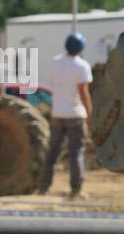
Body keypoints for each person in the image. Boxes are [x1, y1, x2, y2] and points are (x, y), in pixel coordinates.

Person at [37, 32, 92, 198]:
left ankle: (44, 188)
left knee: (53, 152)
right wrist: (90, 114)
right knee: (76, 153)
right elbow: (83, 92)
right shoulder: (82, 66)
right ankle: (76, 190)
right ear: (81, 48)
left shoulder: (55, 62)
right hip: (75, 114)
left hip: (58, 113)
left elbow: (54, 83)